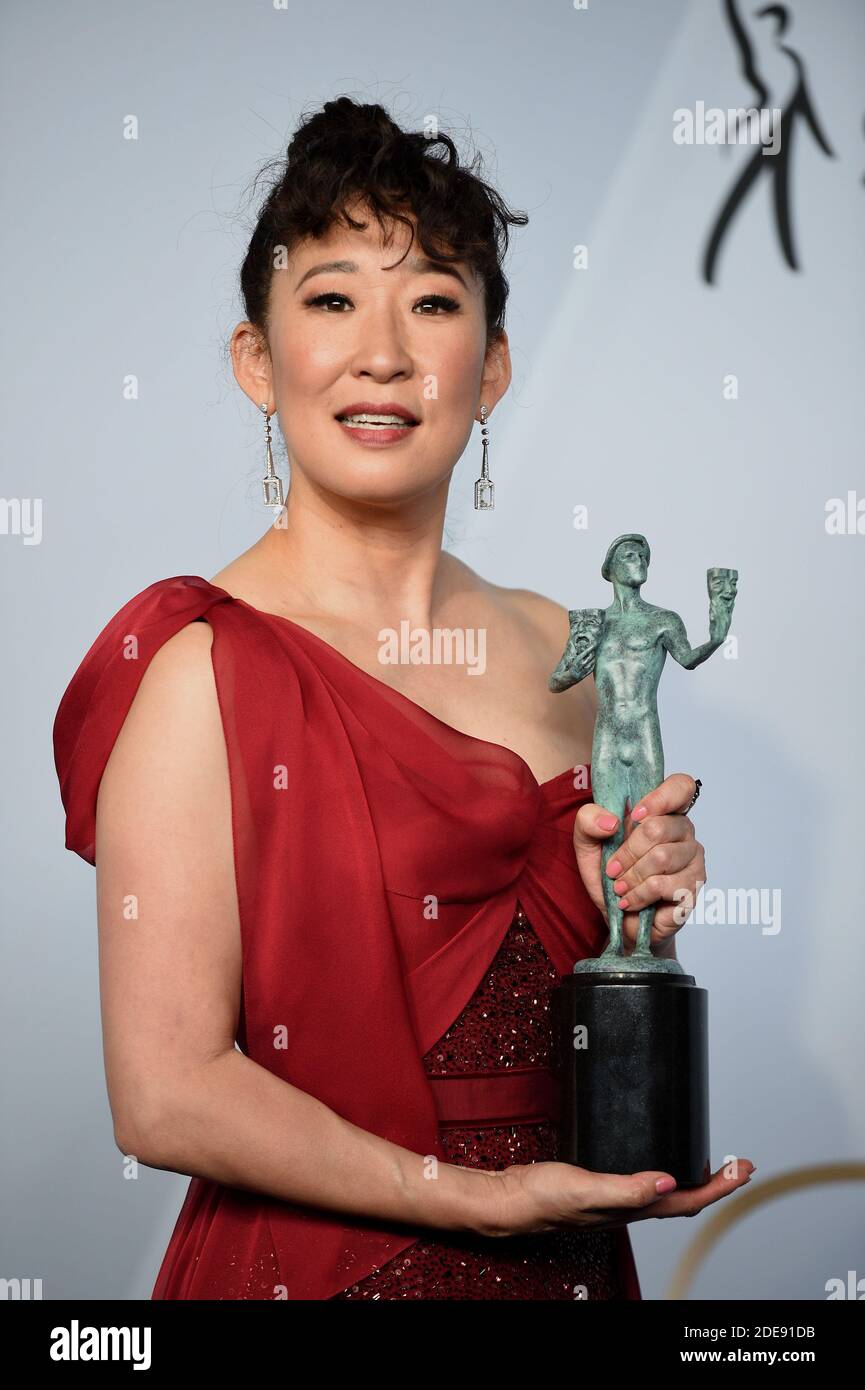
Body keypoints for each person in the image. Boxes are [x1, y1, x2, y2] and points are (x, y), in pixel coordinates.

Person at [53, 97, 754, 1301]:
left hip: (569, 1261)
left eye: (431, 303)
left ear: (489, 369)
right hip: (319, 1277)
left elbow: (571, 993)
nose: (383, 351)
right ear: (257, 362)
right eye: (330, 300)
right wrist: (474, 1200)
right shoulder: (197, 662)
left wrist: (641, 897)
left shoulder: (562, 644)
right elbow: (164, 1094)